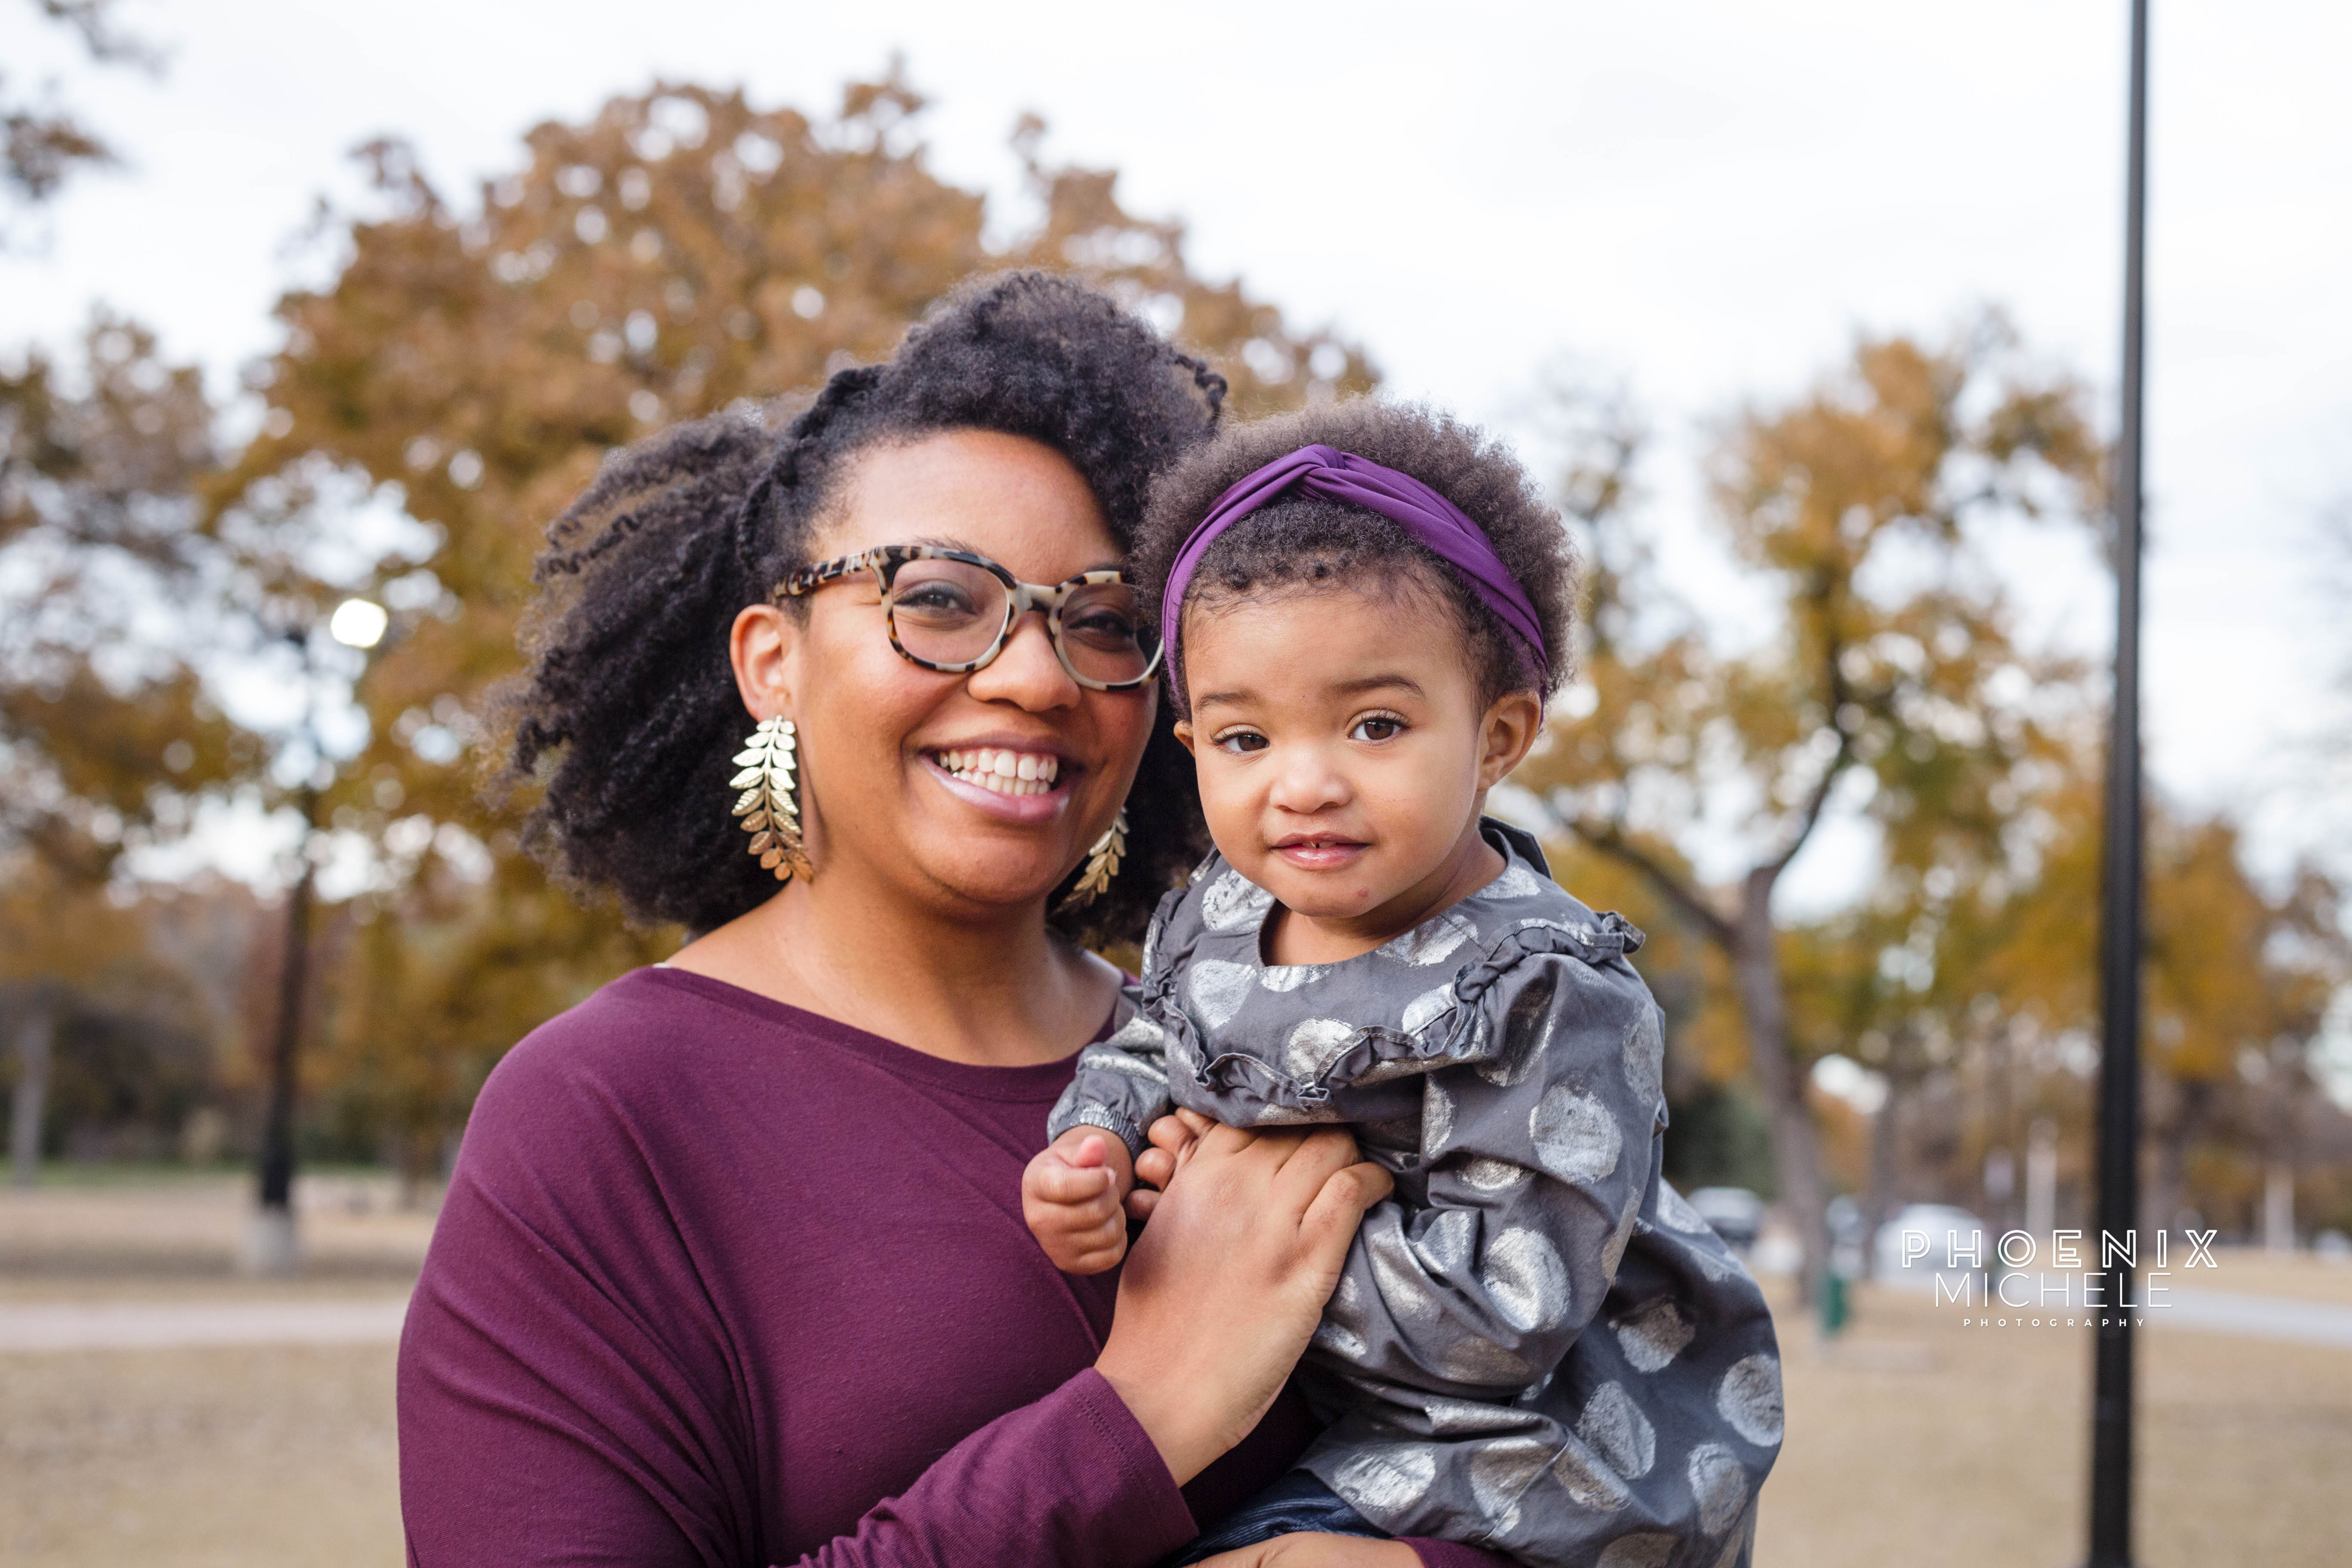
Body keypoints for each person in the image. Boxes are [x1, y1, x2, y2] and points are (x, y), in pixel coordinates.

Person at [396, 272, 1519, 1568]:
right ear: (774, 660)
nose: (1037, 676)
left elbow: (1580, 1459)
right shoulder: (605, 1115)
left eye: (1103, 622)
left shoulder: (1276, 1037)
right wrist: (1139, 1416)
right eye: (937, 600)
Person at [1022, 402, 1783, 1567]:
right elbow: (1149, 1046)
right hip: (1329, 1419)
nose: (1304, 783)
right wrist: (1097, 1150)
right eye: (1244, 740)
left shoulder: (1549, 992)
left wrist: (1222, 1235)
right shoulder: (1218, 915)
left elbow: (1504, 1321)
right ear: (1190, 744)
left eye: (1375, 725)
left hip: (1517, 1451)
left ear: (1499, 735)